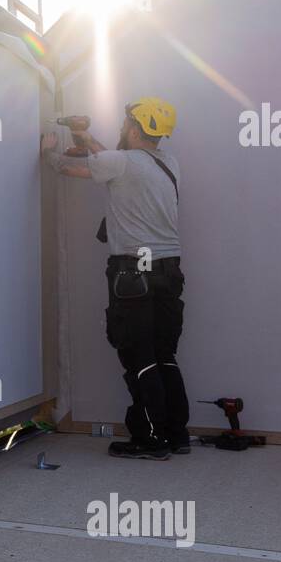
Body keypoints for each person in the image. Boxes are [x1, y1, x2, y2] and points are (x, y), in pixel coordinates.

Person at [42, 98, 190, 460]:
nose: (122, 130)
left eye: (125, 125)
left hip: (133, 273)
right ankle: (175, 435)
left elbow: (67, 167)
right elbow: (116, 162)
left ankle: (150, 439)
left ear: (136, 129)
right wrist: (87, 138)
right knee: (163, 355)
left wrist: (48, 152)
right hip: (169, 270)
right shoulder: (168, 163)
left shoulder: (120, 162)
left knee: (139, 357)